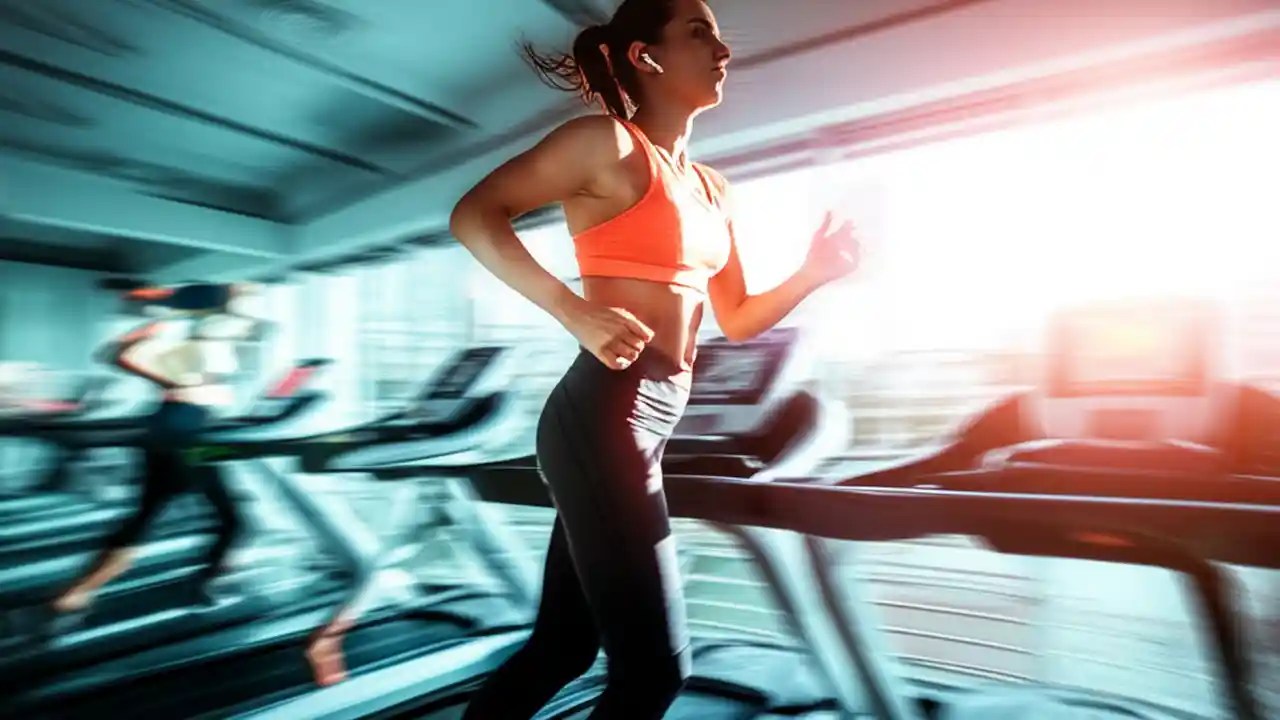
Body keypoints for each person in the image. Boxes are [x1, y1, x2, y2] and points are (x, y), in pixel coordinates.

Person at [448, 0, 859, 717]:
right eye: (700, 34)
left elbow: (737, 317)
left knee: (563, 647)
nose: (723, 51)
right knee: (655, 673)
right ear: (646, 56)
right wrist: (573, 311)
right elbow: (473, 215)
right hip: (603, 413)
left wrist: (811, 274)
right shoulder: (605, 143)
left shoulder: (712, 189)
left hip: (650, 422)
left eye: (720, 37)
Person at [43, 284, 264, 632]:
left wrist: (162, 373)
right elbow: (116, 354)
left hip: (171, 429)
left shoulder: (193, 342)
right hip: (187, 435)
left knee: (146, 517)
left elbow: (115, 356)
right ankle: (206, 584)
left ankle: (76, 594)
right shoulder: (196, 342)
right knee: (236, 521)